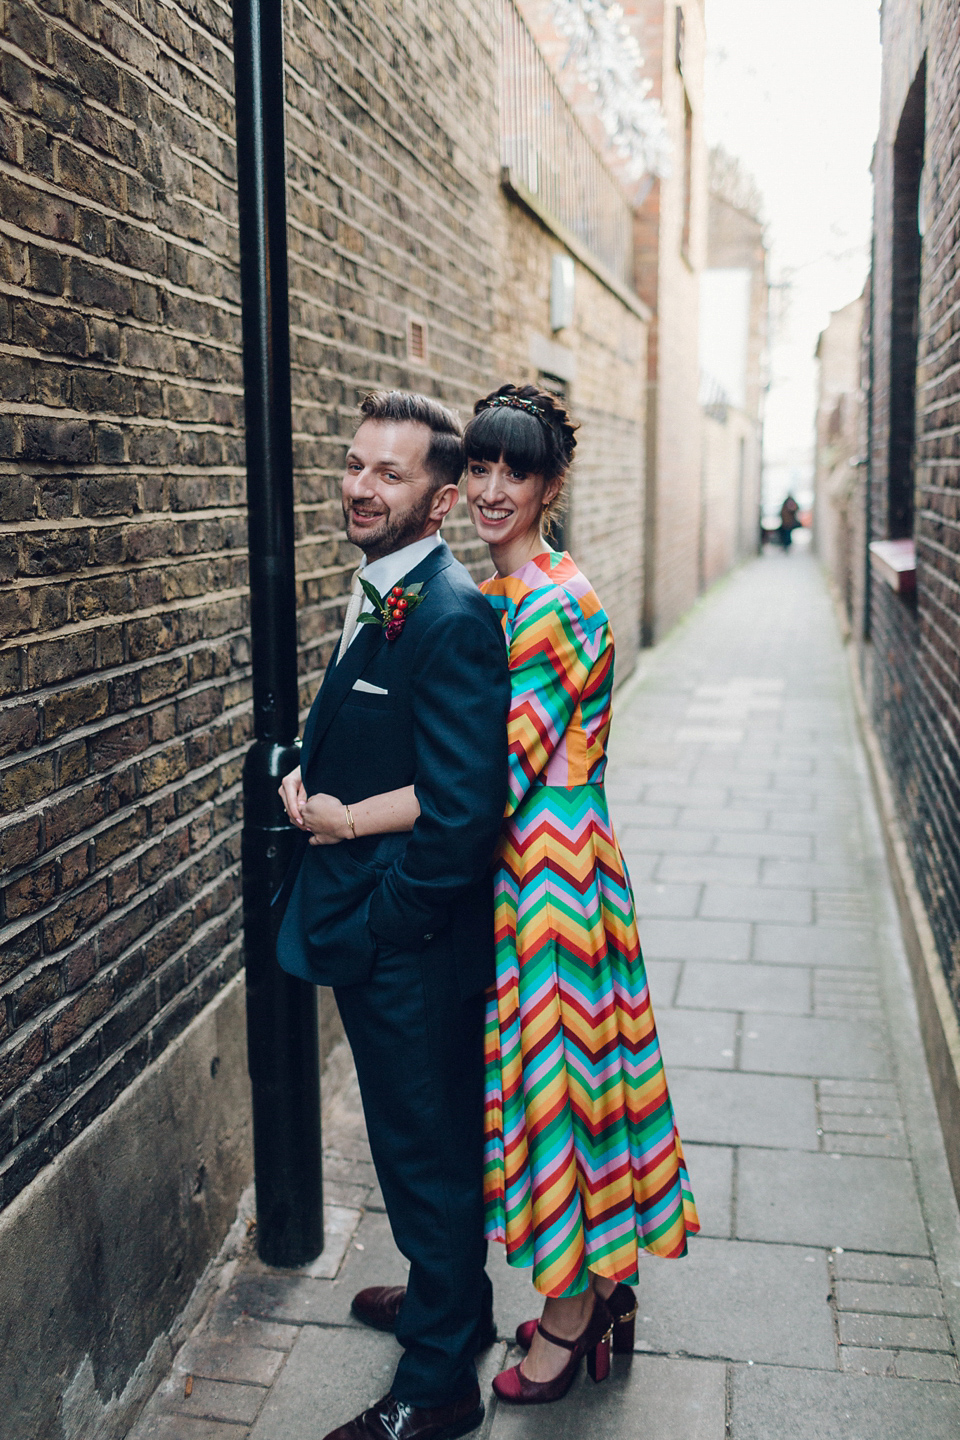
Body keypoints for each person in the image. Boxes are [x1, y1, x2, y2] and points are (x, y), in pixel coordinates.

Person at [300, 382, 700, 1414]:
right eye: (476, 466)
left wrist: (344, 820)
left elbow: (478, 781)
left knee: (563, 1096)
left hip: (553, 878)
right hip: (532, 864)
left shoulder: (552, 603)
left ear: (551, 484)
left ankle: (575, 1317)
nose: (487, 488)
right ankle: (536, 1295)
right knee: (542, 1095)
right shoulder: (510, 591)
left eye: (511, 471)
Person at [276, 390, 511, 1440]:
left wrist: (385, 933)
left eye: (391, 473)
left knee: (427, 1154)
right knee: (418, 1140)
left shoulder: (452, 614)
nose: (362, 487)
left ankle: (436, 1385)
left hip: (409, 947)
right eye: (356, 464)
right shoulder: (386, 589)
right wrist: (304, 774)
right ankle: (447, 1308)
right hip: (381, 927)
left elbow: (462, 814)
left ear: (442, 499)